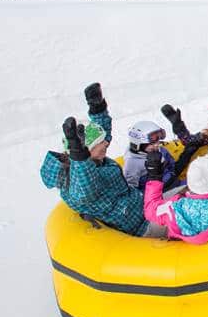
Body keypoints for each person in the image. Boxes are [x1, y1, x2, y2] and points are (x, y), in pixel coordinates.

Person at [39, 83, 165, 238]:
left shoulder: (96, 160)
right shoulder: (77, 186)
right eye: (101, 143)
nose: (106, 143)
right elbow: (85, 185)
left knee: (186, 195)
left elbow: (101, 134)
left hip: (145, 205)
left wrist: (97, 107)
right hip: (142, 226)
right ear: (87, 152)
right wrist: (78, 152)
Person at [122, 120, 175, 190]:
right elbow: (133, 191)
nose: (157, 145)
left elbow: (172, 167)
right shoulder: (132, 165)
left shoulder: (160, 150)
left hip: (173, 183)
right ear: (139, 145)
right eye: (151, 144)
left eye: (158, 141)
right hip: (158, 194)